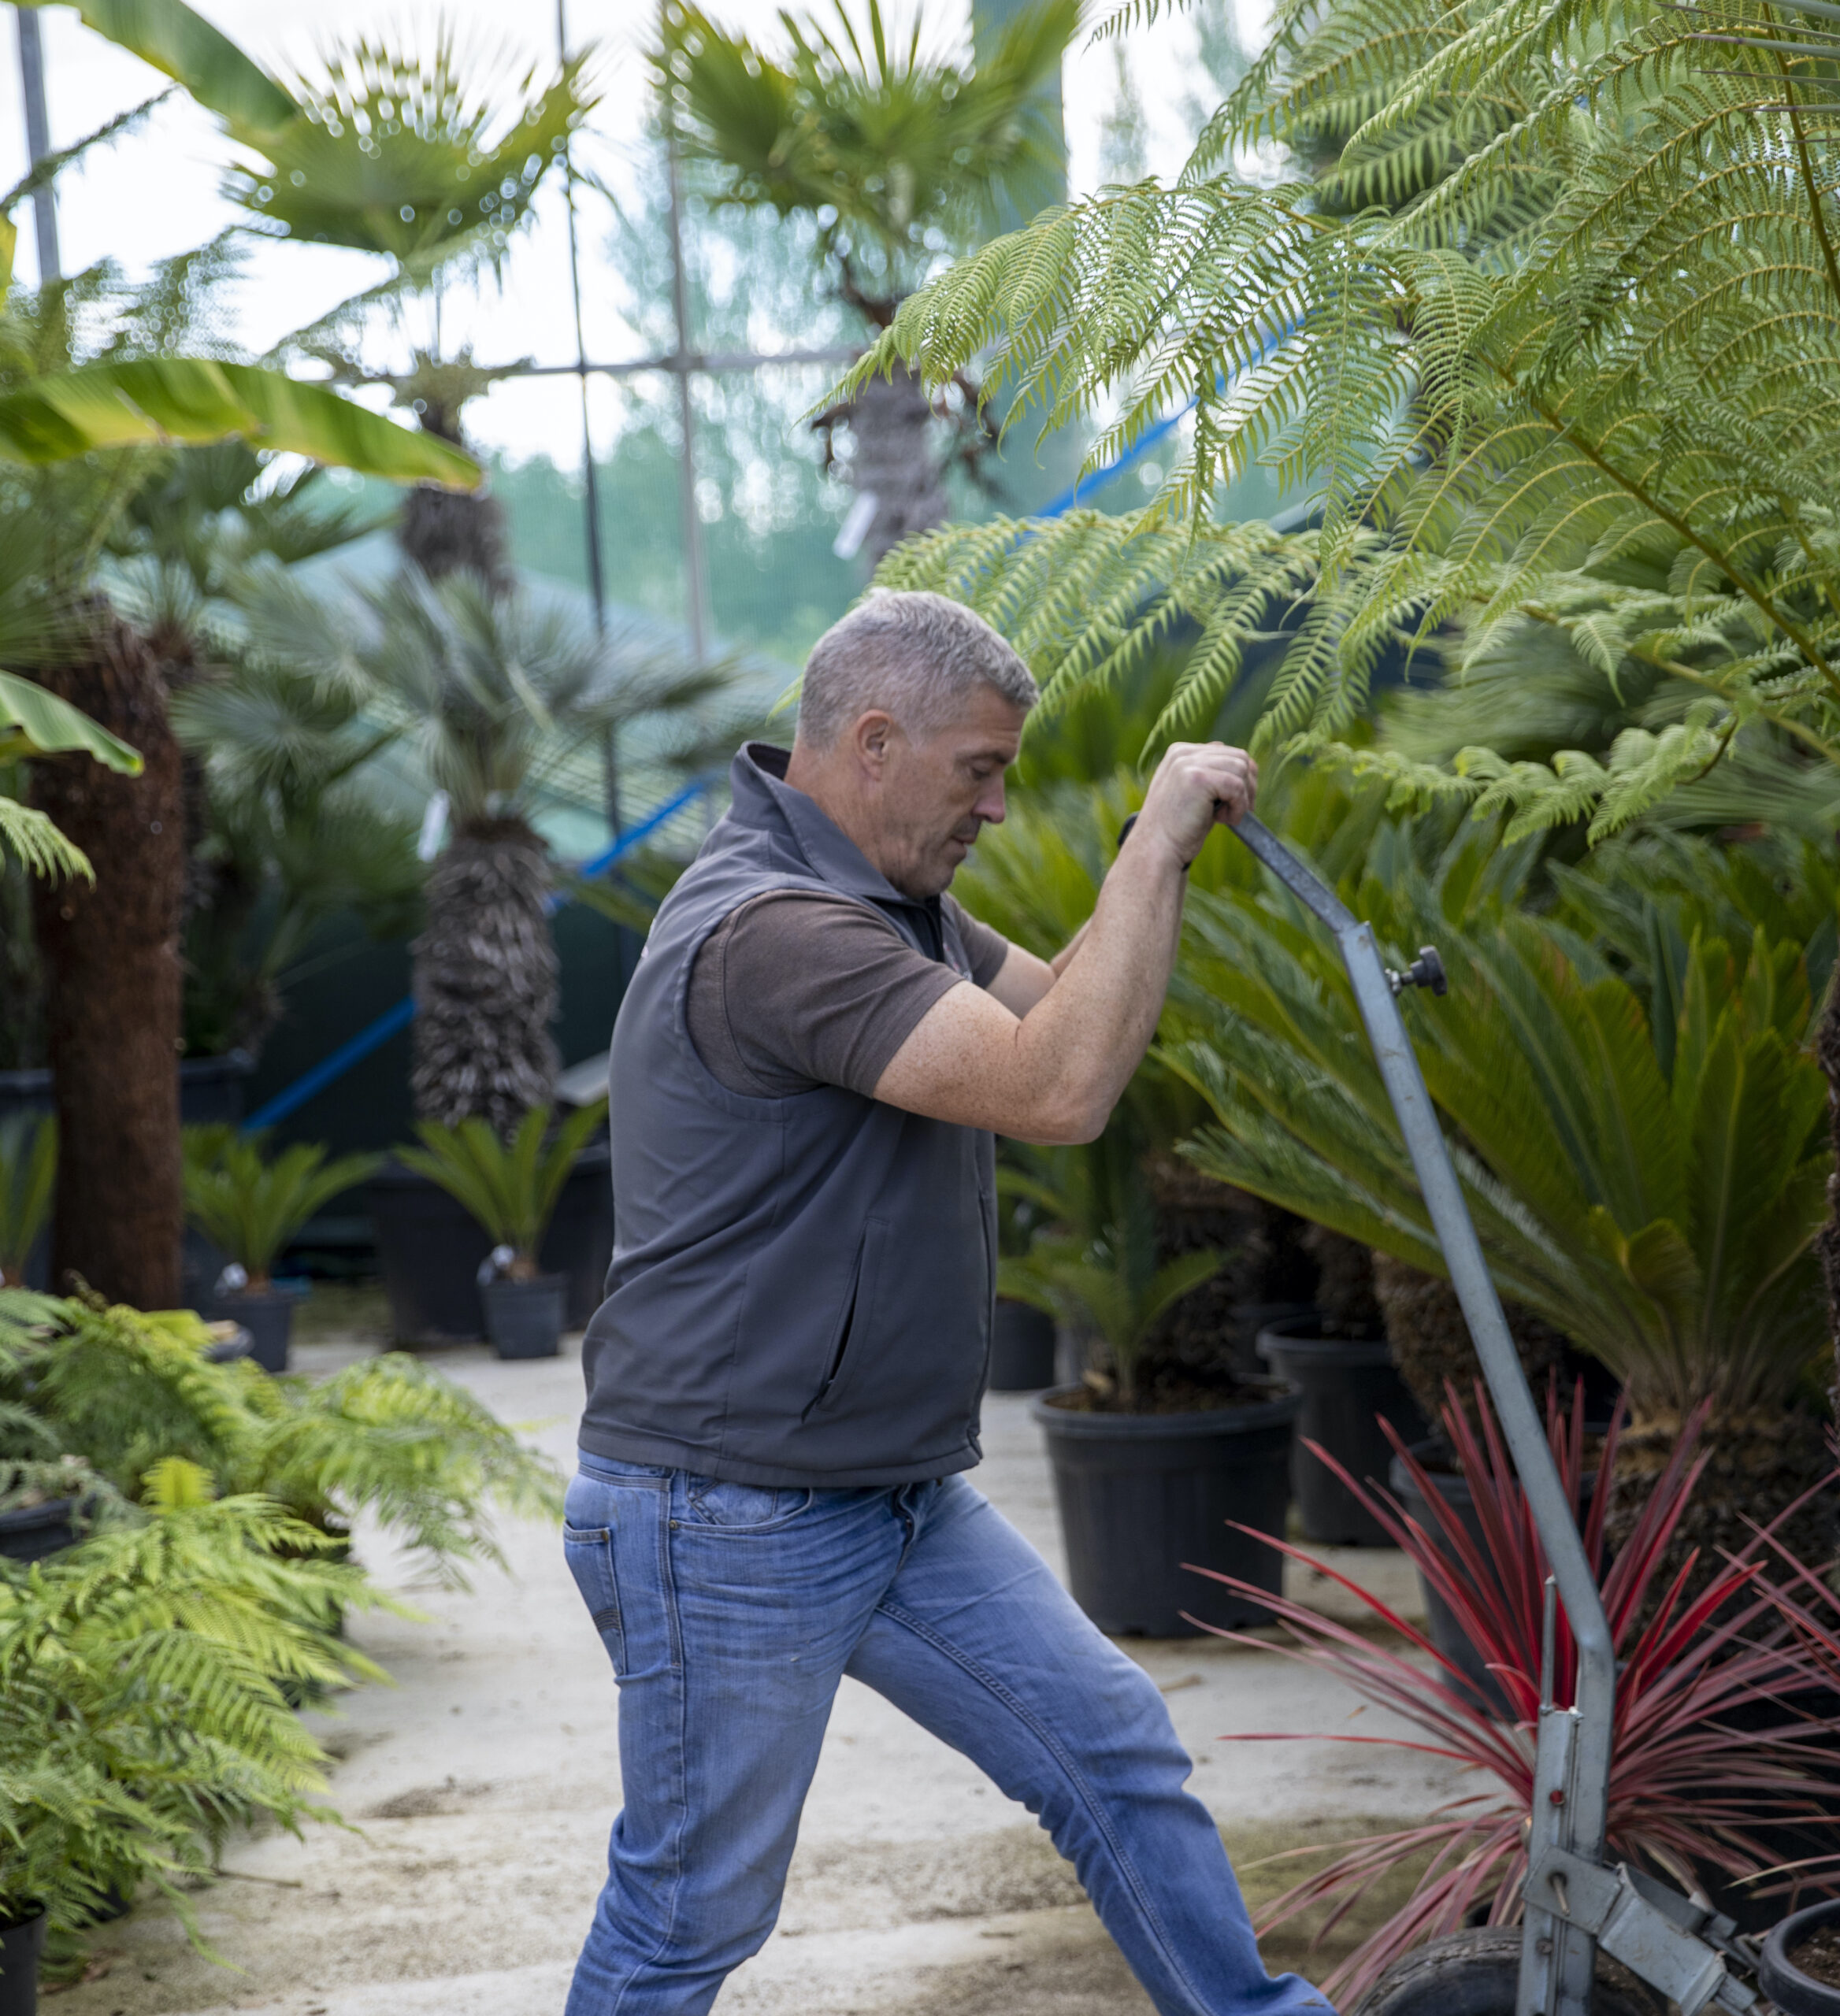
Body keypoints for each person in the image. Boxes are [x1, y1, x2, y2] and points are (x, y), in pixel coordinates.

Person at [566, 589, 1331, 2016]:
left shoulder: (895, 911)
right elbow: (1058, 1088)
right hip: (727, 1511)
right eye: (978, 767)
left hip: (888, 1494)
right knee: (690, 1918)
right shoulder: (781, 933)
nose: (995, 802)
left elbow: (1064, 1015)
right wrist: (1153, 838)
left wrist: (1152, 884)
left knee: (1114, 1756)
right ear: (871, 743)